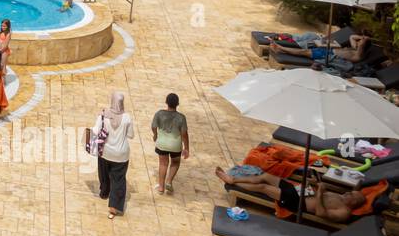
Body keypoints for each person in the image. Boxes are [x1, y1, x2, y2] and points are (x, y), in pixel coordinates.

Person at [213, 168, 365, 223]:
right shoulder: (342, 198)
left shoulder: (344, 212)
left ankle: (233, 184)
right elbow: (359, 186)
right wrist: (315, 184)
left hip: (297, 202)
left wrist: (319, 193)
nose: (348, 192)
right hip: (301, 192)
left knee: (263, 187)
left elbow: (320, 213)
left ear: (354, 203)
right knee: (266, 176)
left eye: (351, 194)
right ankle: (234, 179)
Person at [90, 91, 134, 219]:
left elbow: (95, 130)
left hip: (105, 152)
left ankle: (104, 192)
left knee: (104, 173)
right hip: (121, 154)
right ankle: (114, 206)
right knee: (118, 179)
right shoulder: (127, 118)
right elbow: (131, 135)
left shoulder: (103, 115)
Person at [151, 93, 189, 195]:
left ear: (166, 102)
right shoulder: (181, 118)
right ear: (177, 104)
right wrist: (186, 148)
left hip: (162, 143)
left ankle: (161, 187)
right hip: (175, 145)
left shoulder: (159, 114)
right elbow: (184, 134)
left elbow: (153, 126)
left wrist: (155, 135)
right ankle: (169, 181)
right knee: (175, 163)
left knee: (163, 164)